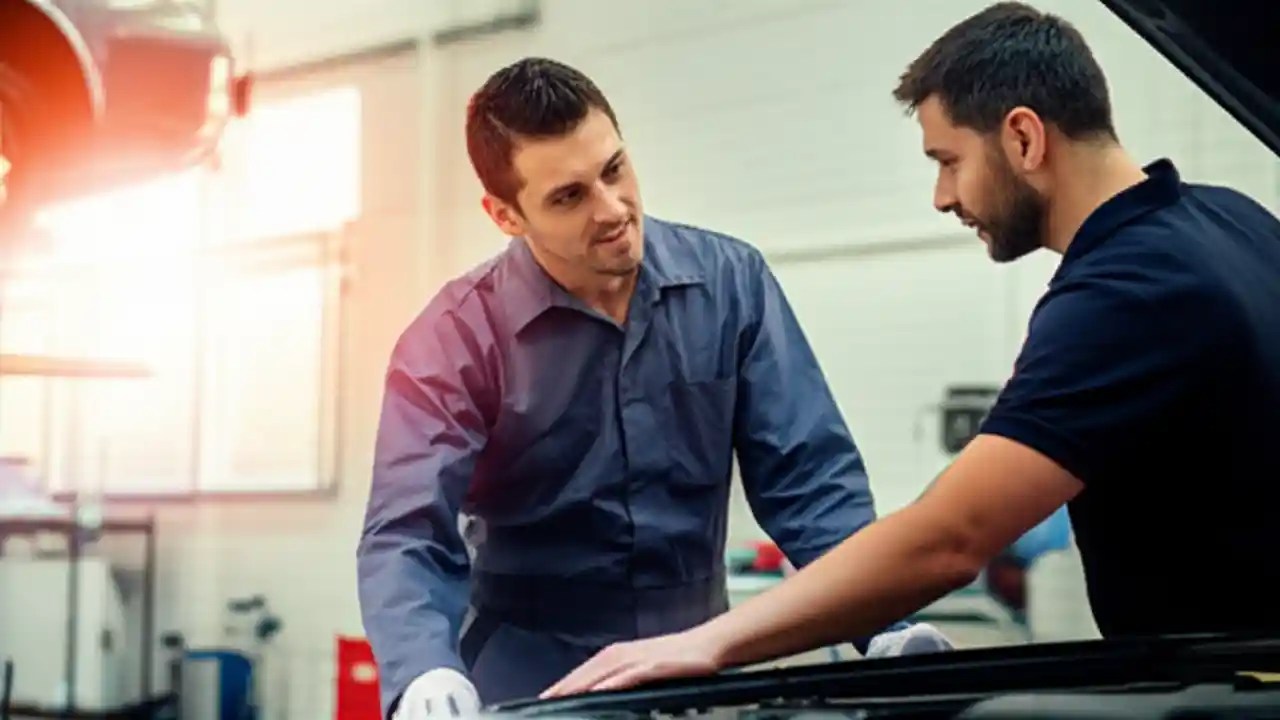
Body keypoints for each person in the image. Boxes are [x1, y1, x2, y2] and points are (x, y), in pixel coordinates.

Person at [542, 0, 1280, 696]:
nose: (941, 195)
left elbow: (951, 538)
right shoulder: (1234, 221)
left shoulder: (1126, 292)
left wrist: (708, 642)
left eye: (948, 159)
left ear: (1024, 138)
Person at [356, 57, 951, 719]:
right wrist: (424, 670)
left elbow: (808, 483)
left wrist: (882, 622)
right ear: (506, 215)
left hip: (694, 671)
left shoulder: (732, 286)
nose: (612, 210)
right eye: (568, 196)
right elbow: (407, 532)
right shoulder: (453, 338)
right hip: (531, 686)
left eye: (613, 169)